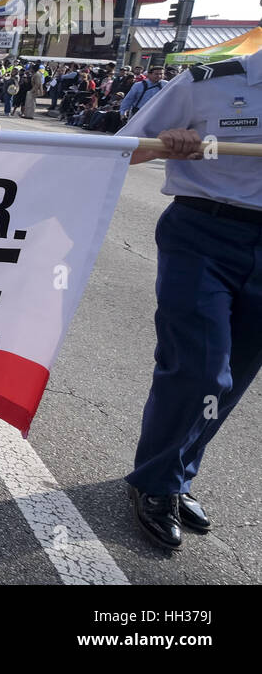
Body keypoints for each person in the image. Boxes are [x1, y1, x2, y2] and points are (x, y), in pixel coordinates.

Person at [117, 47, 262, 551]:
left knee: (235, 375)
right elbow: (124, 148)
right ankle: (154, 485)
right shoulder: (207, 81)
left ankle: (176, 474)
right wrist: (164, 145)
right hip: (205, 231)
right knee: (201, 367)